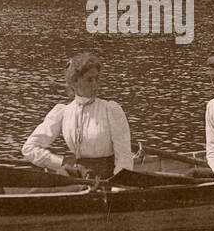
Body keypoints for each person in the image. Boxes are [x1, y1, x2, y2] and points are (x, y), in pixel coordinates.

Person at [22, 51, 134, 179]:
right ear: (74, 82)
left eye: (97, 78)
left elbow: (124, 157)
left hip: (106, 179)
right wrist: (60, 162)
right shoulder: (62, 112)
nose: (95, 84)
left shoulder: (110, 110)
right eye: (89, 79)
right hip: (78, 175)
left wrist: (117, 188)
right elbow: (29, 148)